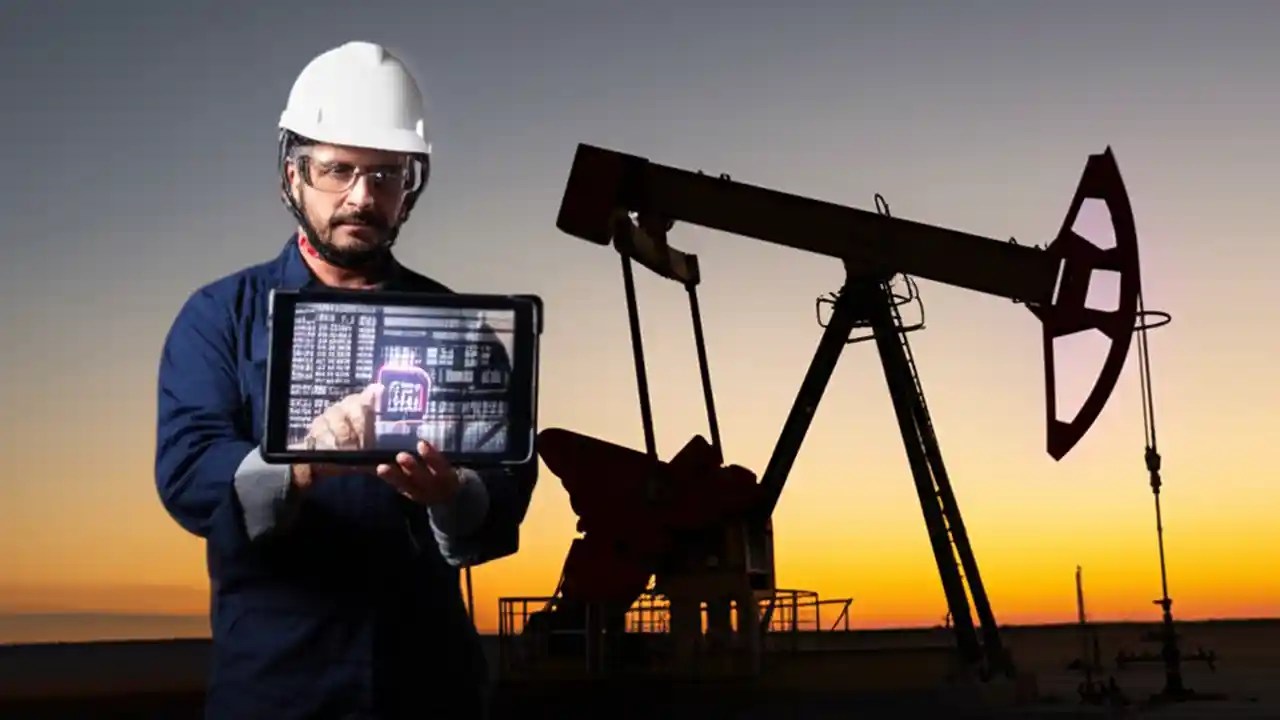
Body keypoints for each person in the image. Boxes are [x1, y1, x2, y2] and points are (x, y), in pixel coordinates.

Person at [154, 40, 537, 719]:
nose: (362, 196)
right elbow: (187, 468)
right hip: (277, 686)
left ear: (410, 187)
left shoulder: (463, 327)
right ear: (293, 175)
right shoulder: (220, 316)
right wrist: (296, 465)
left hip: (430, 688)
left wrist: (454, 494)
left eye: (385, 175)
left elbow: (507, 482)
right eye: (337, 170)